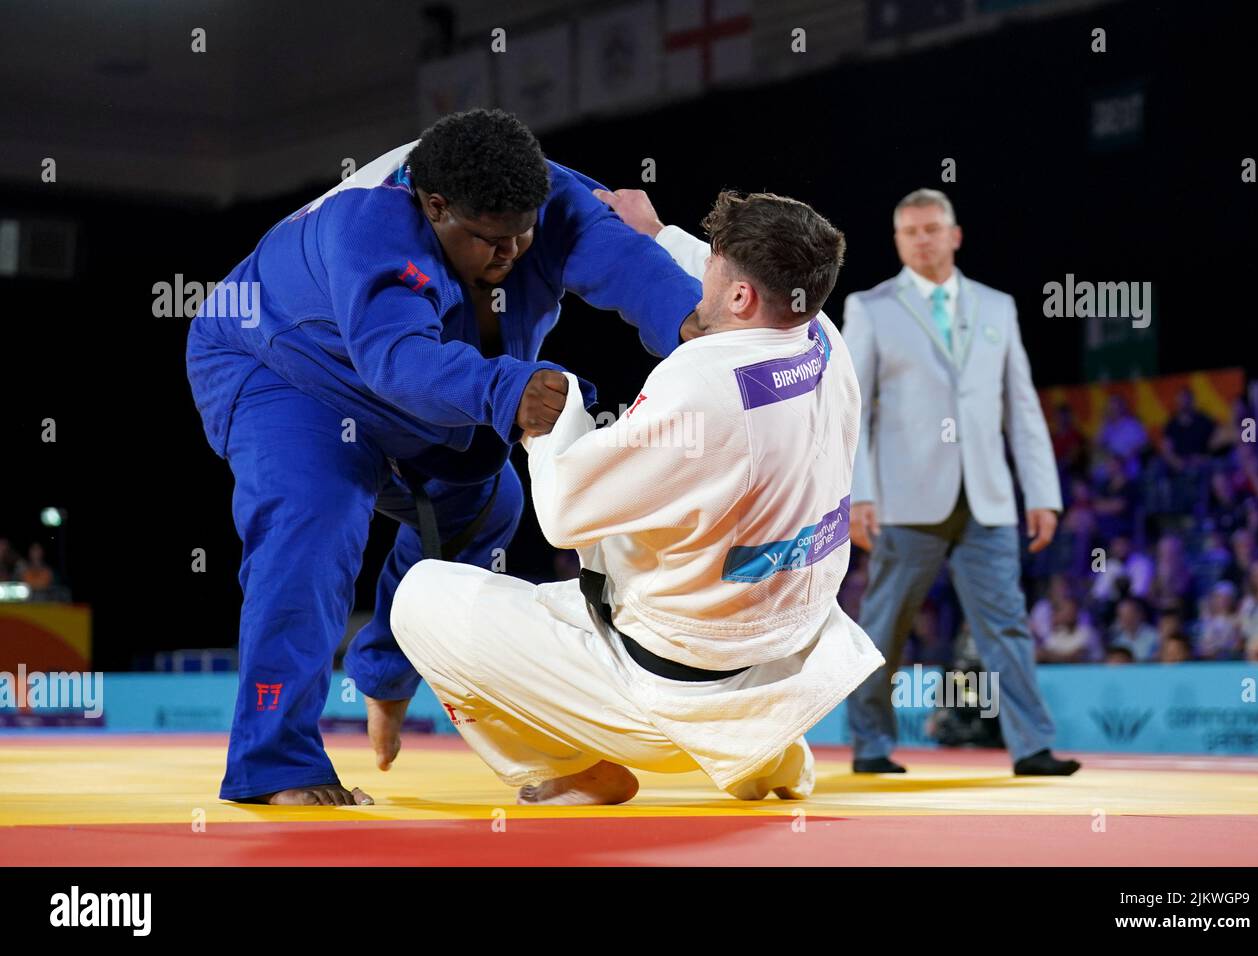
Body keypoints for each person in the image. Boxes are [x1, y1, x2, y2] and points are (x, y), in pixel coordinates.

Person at [185, 110, 704, 805]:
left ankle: (386, 671)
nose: (514, 251)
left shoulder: (550, 197)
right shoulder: (369, 228)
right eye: (492, 239)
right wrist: (510, 386)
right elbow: (398, 360)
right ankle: (275, 764)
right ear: (435, 208)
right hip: (277, 360)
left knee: (490, 504)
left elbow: (631, 265)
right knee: (318, 512)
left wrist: (701, 333)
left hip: (394, 371)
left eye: (526, 231)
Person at [389, 188, 885, 803]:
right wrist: (656, 236)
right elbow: (740, 280)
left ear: (740, 295)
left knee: (422, 597)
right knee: (667, 565)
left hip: (670, 692)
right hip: (785, 657)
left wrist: (550, 413)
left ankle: (572, 769)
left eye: (713, 263)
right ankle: (765, 755)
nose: (703, 268)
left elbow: (564, 514)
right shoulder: (822, 338)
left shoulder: (703, 381)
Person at [841, 188, 1077, 776]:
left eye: (932, 228)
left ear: (955, 235)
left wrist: (1043, 493)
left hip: (988, 496)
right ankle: (870, 744)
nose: (922, 239)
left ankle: (1032, 746)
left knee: (1007, 625)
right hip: (902, 496)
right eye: (910, 231)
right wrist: (858, 493)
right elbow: (852, 410)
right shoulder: (870, 307)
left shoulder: (997, 307)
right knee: (885, 625)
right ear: (897, 241)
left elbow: (1021, 407)